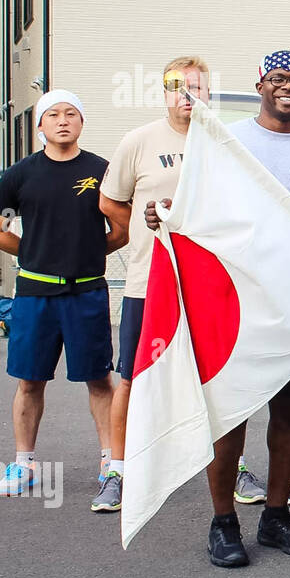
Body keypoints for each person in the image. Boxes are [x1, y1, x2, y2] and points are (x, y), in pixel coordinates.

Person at [147, 51, 290, 567]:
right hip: (232, 306)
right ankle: (223, 523)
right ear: (260, 84)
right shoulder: (225, 141)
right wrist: (162, 215)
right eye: (278, 78)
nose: (288, 87)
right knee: (231, 416)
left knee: (288, 414)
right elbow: (192, 208)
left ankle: (276, 516)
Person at [0, 90, 126, 498]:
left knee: (99, 379)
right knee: (30, 381)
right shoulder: (21, 175)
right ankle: (23, 463)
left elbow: (121, 229)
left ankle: (111, 463)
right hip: (35, 296)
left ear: (81, 122)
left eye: (71, 114)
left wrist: (88, 253)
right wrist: (34, 253)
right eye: (54, 115)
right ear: (40, 125)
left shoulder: (102, 171)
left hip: (87, 293)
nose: (63, 121)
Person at [94, 57, 222, 512]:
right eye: (176, 86)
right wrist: (147, 229)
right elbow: (109, 201)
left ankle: (234, 465)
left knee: (216, 379)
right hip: (149, 282)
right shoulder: (139, 141)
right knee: (133, 377)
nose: (186, 94)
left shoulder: (222, 142)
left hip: (207, 285)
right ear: (164, 93)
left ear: (208, 93)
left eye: (196, 87)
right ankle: (117, 470)